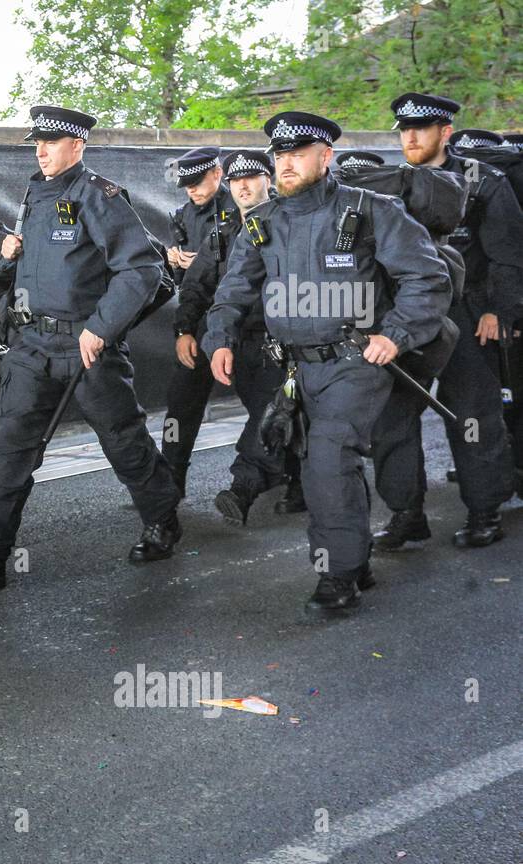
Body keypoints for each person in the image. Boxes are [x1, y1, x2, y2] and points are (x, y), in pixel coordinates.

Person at [203, 111, 451, 613]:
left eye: (297, 155)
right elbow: (233, 290)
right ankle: (354, 560)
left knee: (329, 457)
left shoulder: (370, 210)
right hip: (296, 369)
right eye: (279, 156)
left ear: (325, 157)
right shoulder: (264, 221)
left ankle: (336, 576)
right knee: (325, 462)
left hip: (356, 361)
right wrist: (219, 339)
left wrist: (395, 336)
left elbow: (427, 278)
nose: (286, 164)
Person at [0, 105, 180, 590]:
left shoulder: (100, 196)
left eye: (51, 142)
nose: (42, 150)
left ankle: (161, 520)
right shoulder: (35, 194)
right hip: (32, 346)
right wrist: (9, 262)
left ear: (78, 146)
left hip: (85, 346)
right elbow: (34, 272)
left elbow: (143, 270)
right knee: (7, 450)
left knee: (123, 440)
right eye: (37, 143)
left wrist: (101, 328)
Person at [369, 94, 523, 550]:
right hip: (402, 318)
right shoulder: (386, 185)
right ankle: (407, 514)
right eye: (404, 130)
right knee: (393, 417)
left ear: (446, 133)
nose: (410, 137)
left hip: (467, 314)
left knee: (473, 413)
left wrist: (500, 311)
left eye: (421, 129)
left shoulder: (484, 181)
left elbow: (508, 254)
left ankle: (484, 511)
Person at [171, 148, 293, 525]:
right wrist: (185, 330)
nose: (242, 187)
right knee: (184, 404)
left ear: (267, 181)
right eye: (236, 181)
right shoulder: (222, 233)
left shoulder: (290, 224)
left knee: (274, 416)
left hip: (280, 344)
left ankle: (244, 486)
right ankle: (166, 488)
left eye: (251, 179)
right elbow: (196, 285)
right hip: (231, 338)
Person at [161, 147, 239, 498]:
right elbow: (179, 276)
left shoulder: (239, 207)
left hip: (244, 319)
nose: (191, 189)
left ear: (218, 174)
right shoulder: (182, 215)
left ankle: (285, 477)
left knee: (269, 403)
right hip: (200, 315)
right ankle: (169, 482)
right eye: (186, 184)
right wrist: (174, 259)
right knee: (180, 405)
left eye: (197, 182)